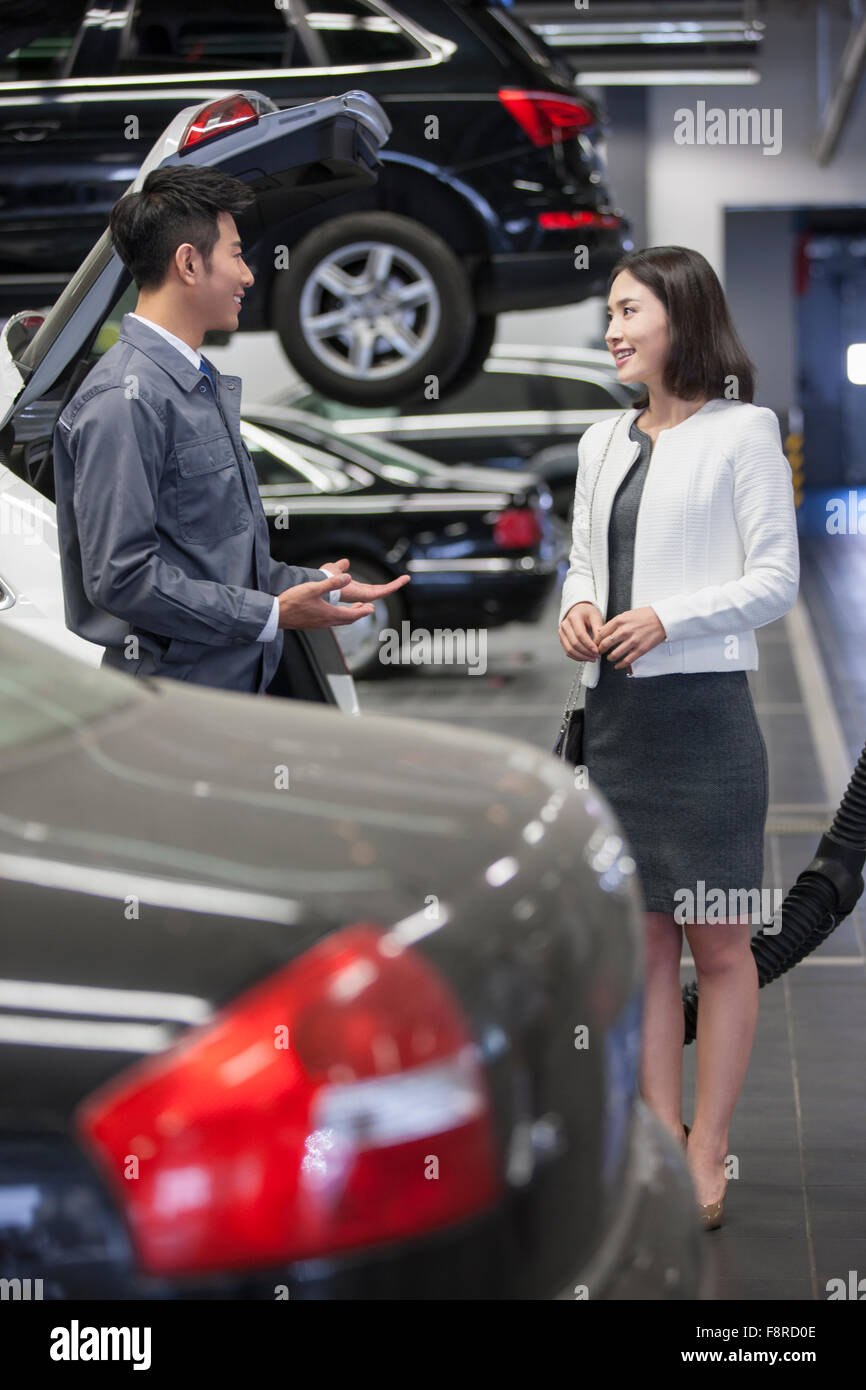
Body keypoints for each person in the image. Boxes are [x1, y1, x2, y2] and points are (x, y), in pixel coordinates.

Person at [557, 246, 800, 1229]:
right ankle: (659, 1142)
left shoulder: (743, 432)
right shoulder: (597, 441)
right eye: (609, 314)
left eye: (627, 312)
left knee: (721, 945)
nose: (612, 330)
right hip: (615, 724)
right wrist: (578, 607)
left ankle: (709, 1143)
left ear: (679, 319)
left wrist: (668, 615)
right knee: (647, 944)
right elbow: (581, 559)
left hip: (705, 723)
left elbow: (773, 578)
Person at [53, 164, 409, 694]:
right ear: (189, 263)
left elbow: (214, 561)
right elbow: (123, 579)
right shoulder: (124, 400)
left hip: (224, 692)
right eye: (237, 254)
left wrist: (319, 588)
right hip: (172, 702)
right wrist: (269, 614)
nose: (248, 275)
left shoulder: (194, 384)